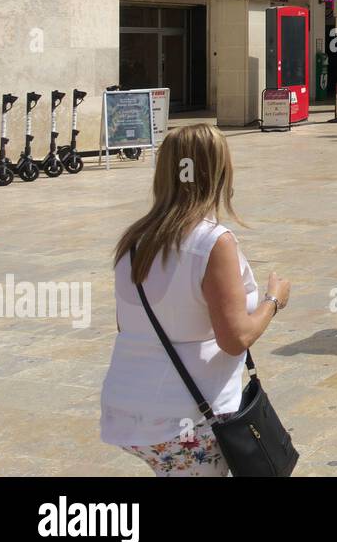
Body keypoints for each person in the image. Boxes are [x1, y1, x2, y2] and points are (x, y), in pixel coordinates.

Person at [100, 125, 292, 476]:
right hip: (186, 415)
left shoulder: (133, 241)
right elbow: (235, 338)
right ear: (217, 171)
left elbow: (128, 323)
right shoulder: (212, 242)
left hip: (131, 406)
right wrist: (273, 300)